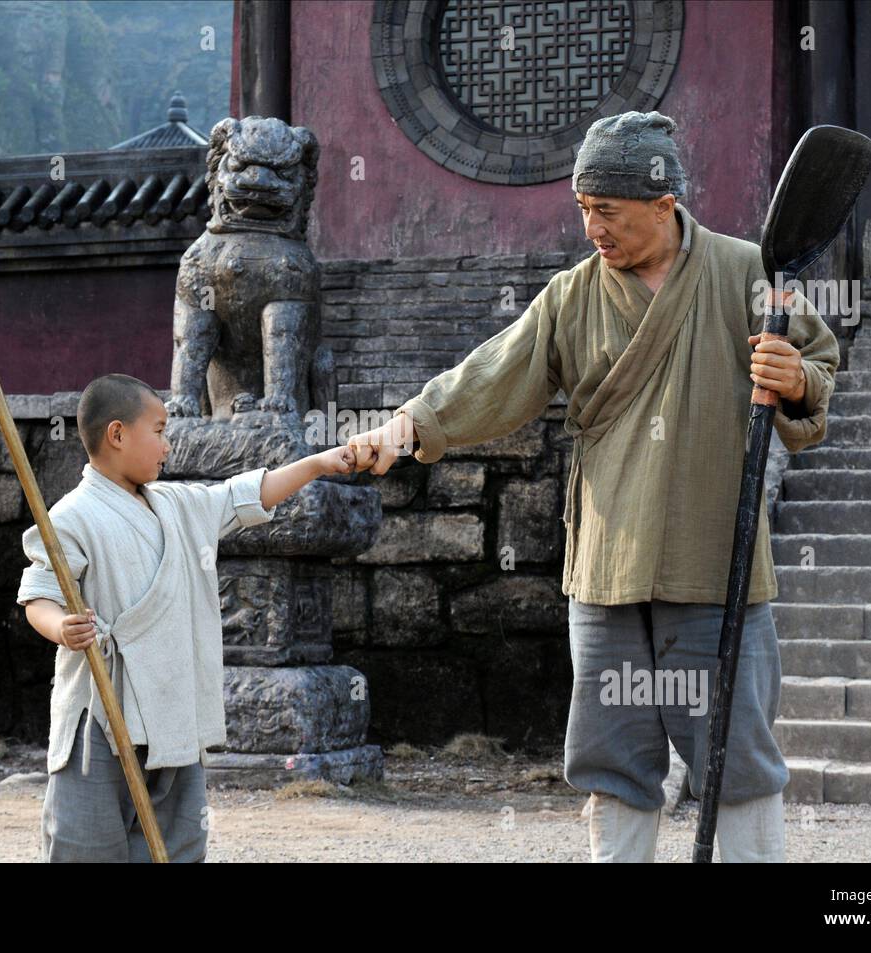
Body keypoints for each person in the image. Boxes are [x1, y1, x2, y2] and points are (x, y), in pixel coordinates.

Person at [348, 111, 840, 862]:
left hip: (713, 560)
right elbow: (491, 373)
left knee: (735, 753)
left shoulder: (749, 274)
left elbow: (817, 369)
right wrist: (407, 426)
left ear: (662, 201)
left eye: (605, 211)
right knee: (612, 755)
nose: (591, 229)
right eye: (582, 210)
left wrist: (797, 378)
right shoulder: (572, 297)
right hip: (607, 567)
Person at [17, 373, 355, 862]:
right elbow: (40, 595)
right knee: (86, 842)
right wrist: (61, 629)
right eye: (157, 431)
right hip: (102, 709)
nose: (168, 446)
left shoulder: (177, 505)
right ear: (117, 434)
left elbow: (247, 494)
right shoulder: (72, 517)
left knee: (176, 843)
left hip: (173, 705)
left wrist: (320, 463)